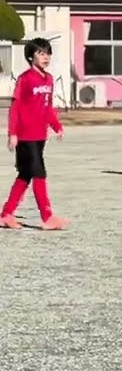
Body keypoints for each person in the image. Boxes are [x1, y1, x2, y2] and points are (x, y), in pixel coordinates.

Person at [2, 38, 67, 231]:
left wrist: (56, 126)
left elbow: (48, 108)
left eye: (48, 53)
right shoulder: (25, 78)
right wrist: (12, 133)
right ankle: (47, 217)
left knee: (25, 175)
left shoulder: (48, 79)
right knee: (39, 173)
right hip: (25, 137)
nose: (46, 57)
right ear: (31, 57)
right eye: (41, 53)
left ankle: (6, 214)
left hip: (40, 136)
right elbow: (15, 107)